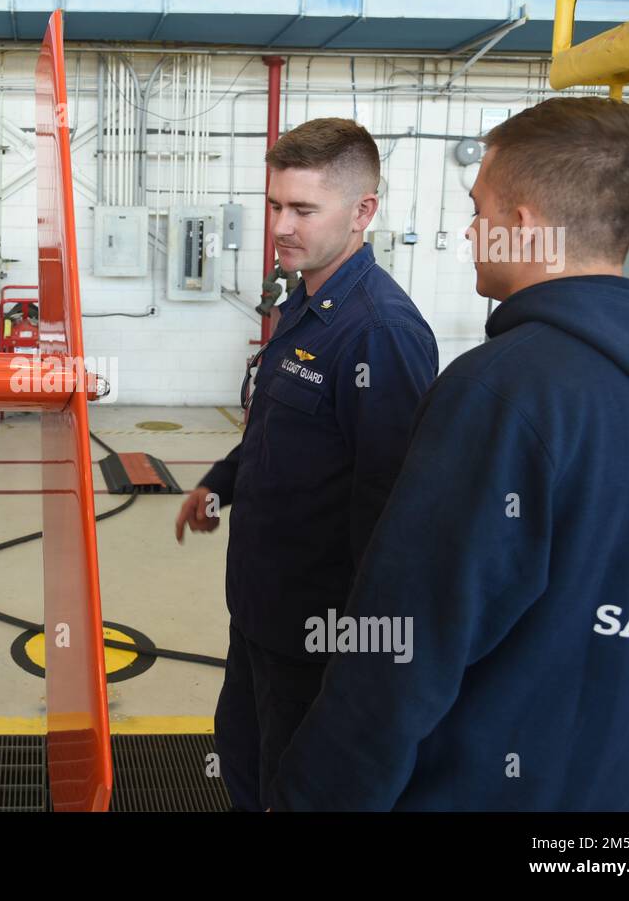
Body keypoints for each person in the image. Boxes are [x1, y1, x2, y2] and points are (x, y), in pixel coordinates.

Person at [271, 96, 629, 810]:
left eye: (479, 212)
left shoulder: (506, 391)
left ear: (522, 229)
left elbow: (404, 643)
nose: (470, 232)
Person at [174, 118, 438, 811]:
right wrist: (219, 483)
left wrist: (363, 658)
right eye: (274, 206)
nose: (280, 226)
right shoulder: (303, 303)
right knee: (245, 762)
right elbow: (277, 428)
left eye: (302, 209)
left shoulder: (379, 331)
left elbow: (388, 510)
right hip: (260, 610)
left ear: (363, 212)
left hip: (318, 636)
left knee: (297, 787)